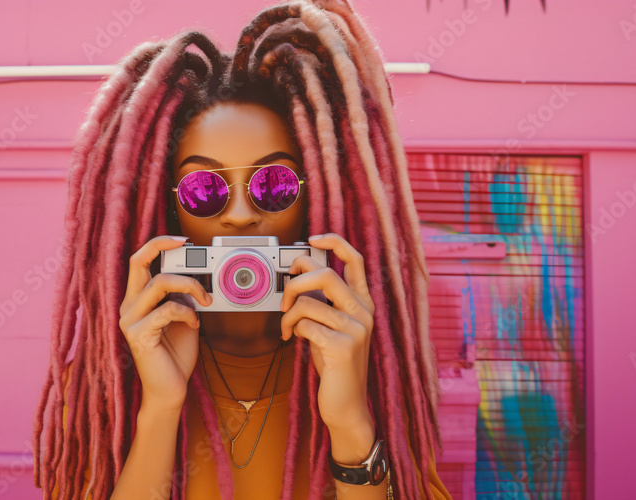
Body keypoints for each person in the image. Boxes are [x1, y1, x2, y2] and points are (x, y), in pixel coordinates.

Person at [32, 1, 451, 498]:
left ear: (316, 195)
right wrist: (160, 409)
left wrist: (351, 425)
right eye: (204, 189)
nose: (238, 215)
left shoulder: (368, 368)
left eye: (273, 184)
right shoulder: (109, 386)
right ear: (166, 209)